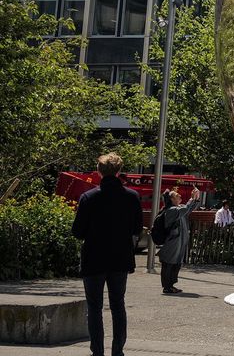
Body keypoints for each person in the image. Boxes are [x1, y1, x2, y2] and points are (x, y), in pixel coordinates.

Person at [71, 152, 142, 356]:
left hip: (94, 258)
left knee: (94, 307)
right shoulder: (131, 197)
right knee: (118, 305)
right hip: (120, 258)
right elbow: (137, 228)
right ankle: (117, 351)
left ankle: (97, 351)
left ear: (99, 171)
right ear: (119, 171)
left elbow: (78, 231)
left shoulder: (89, 197)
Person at [158, 186, 201, 294]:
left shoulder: (178, 208)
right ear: (171, 199)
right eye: (177, 195)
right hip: (172, 242)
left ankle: (170, 286)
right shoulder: (171, 210)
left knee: (176, 264)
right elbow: (186, 209)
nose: (180, 195)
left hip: (178, 242)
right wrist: (192, 198)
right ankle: (167, 287)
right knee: (169, 264)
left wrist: (196, 198)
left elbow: (188, 209)